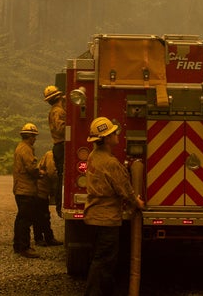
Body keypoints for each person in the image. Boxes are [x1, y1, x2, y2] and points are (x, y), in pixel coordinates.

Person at [83, 116, 144, 296]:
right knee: (104, 261)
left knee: (98, 259)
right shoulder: (110, 163)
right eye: (112, 132)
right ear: (107, 139)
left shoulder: (94, 156)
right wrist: (137, 202)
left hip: (94, 216)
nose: (116, 134)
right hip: (107, 220)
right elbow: (124, 188)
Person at [12, 122, 43, 258]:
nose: (35, 139)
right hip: (26, 190)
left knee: (21, 219)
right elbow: (31, 168)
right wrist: (41, 173)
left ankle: (18, 246)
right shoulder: (26, 149)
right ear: (29, 136)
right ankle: (24, 248)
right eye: (34, 136)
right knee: (25, 220)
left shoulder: (21, 147)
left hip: (21, 189)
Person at [44, 85, 67, 217]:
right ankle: (59, 205)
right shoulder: (58, 111)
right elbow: (61, 129)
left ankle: (59, 205)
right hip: (61, 145)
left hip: (58, 146)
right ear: (58, 97)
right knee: (62, 177)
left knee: (61, 176)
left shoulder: (55, 110)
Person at [34, 149, 62, 246]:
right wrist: (57, 188)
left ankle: (47, 237)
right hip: (41, 190)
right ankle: (40, 238)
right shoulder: (51, 155)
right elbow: (51, 173)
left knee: (44, 215)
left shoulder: (51, 155)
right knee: (41, 215)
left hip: (43, 190)